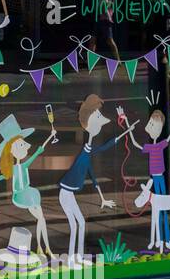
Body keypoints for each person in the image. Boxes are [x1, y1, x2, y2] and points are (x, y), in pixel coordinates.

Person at [57, 95, 135, 267]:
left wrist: (102, 198)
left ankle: (79, 257)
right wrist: (124, 133)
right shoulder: (85, 152)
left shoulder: (88, 151)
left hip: (69, 193)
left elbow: (91, 173)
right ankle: (71, 259)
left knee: (81, 223)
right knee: (75, 225)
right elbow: (92, 159)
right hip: (65, 193)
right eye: (98, 117)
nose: (101, 121)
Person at [0, 113, 58, 261]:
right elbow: (1, 177)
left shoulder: (24, 165)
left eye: (23, 143)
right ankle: (44, 248)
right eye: (21, 144)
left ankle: (43, 248)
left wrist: (50, 136)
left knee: (41, 219)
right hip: (21, 195)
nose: (25, 147)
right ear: (11, 150)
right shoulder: (13, 169)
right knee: (41, 218)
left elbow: (38, 152)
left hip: (30, 193)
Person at [127, 108, 170, 251]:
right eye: (151, 123)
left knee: (163, 209)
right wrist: (128, 126)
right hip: (154, 179)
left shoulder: (159, 145)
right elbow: (135, 144)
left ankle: (168, 240)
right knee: (156, 209)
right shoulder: (150, 147)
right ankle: (158, 240)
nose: (150, 126)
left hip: (160, 179)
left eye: (153, 124)